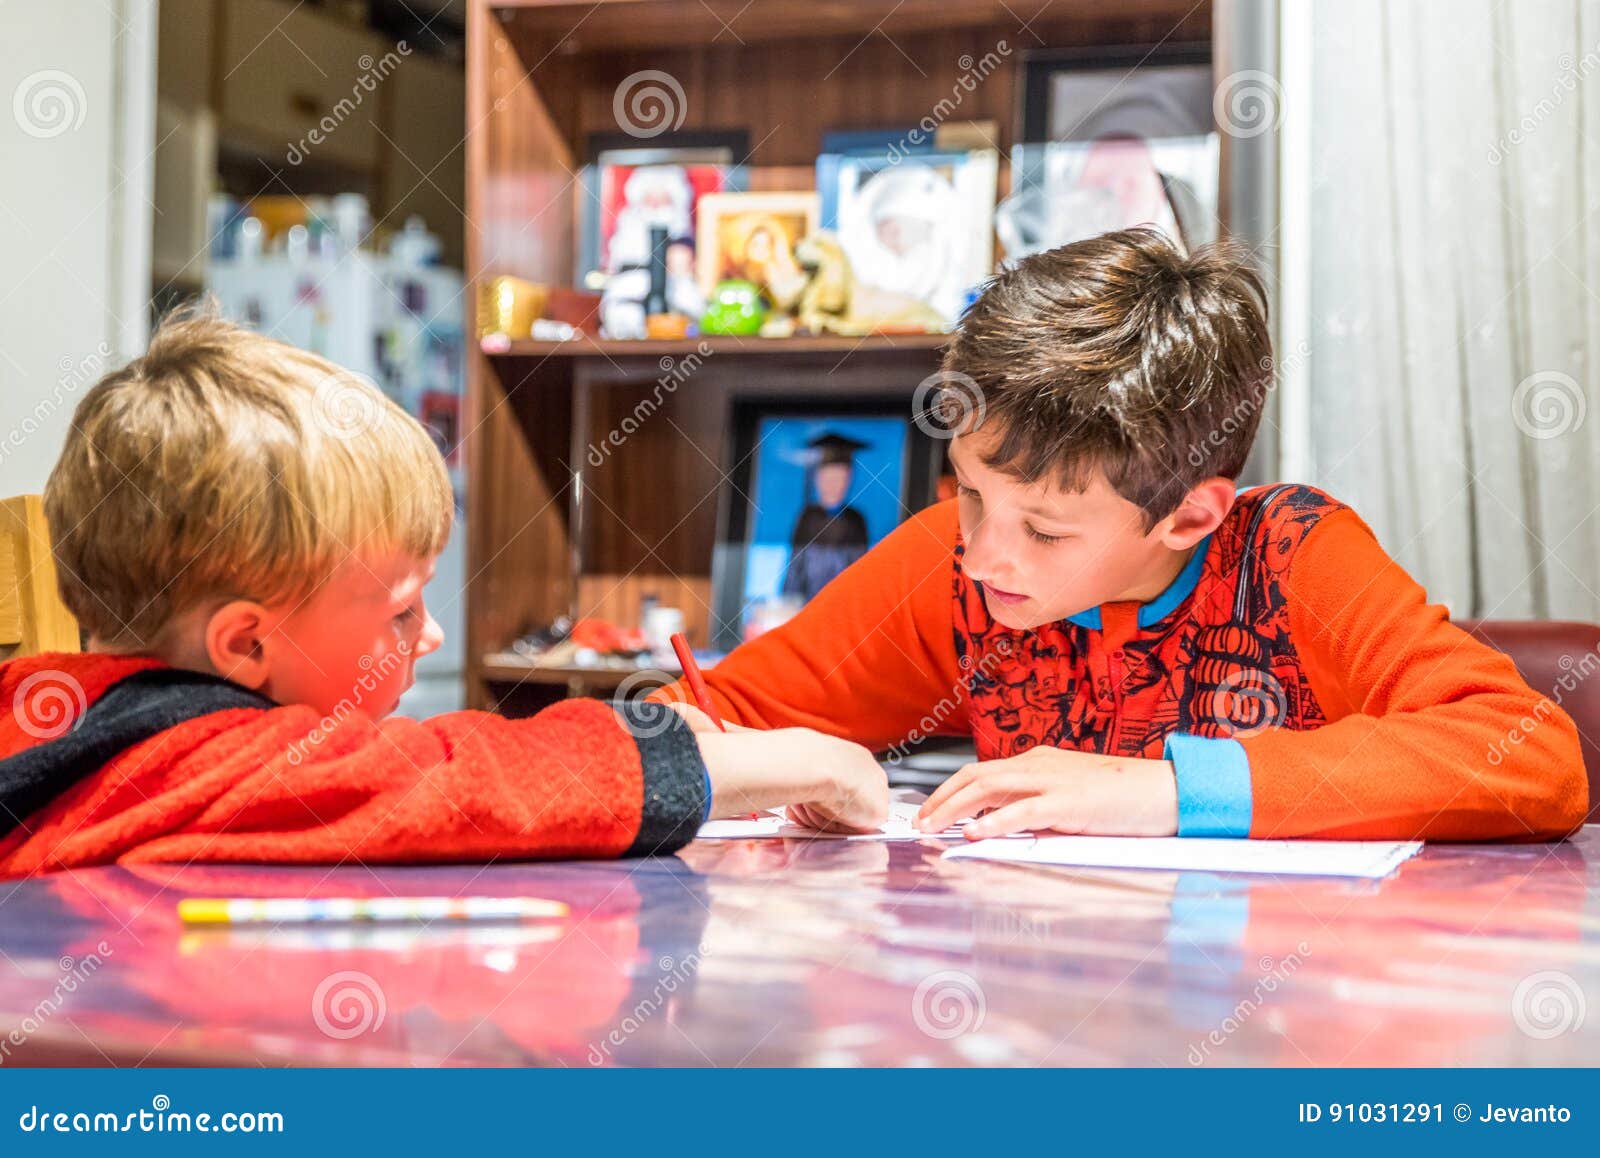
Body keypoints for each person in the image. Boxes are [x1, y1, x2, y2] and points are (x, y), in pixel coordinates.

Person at [659, 228, 1588, 843]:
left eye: (1047, 532)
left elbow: (1533, 757)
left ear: (1191, 515)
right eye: (973, 494)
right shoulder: (956, 558)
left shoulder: (1293, 555)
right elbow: (706, 710)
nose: (981, 553)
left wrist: (1167, 791)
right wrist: (724, 747)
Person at [0, 310, 888, 876]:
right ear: (244, 645)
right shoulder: (164, 758)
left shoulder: (74, 715)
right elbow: (433, 779)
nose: (428, 637)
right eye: (399, 610)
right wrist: (744, 764)